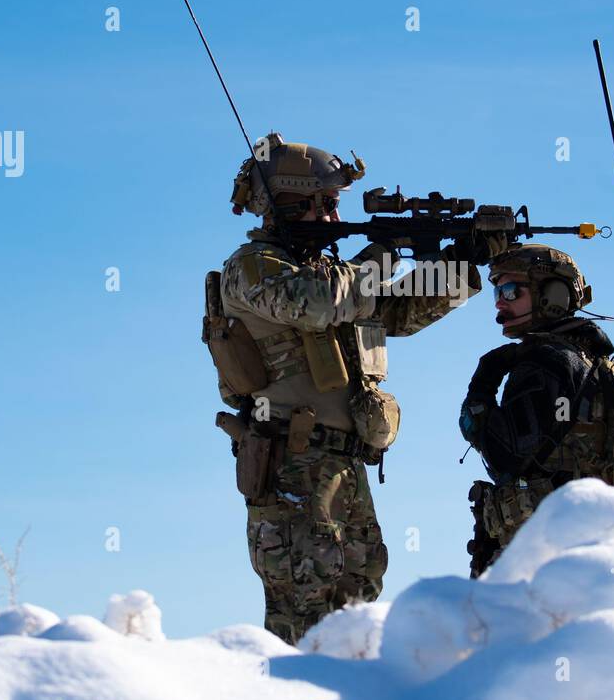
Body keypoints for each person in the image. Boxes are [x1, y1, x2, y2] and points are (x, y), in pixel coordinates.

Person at [205, 132, 503, 642]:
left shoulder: (334, 275)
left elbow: (397, 311)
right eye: (327, 206)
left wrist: (460, 263)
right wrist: (384, 252)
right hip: (291, 464)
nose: (336, 221)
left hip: (345, 464)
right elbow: (317, 303)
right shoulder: (252, 269)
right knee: (305, 611)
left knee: (358, 608)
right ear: (294, 203)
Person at [458, 243, 614, 577]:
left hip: (537, 557)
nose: (499, 301)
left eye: (511, 290)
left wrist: (483, 382)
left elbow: (504, 452)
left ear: (552, 295)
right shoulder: (589, 361)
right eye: (497, 290)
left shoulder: (546, 362)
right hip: (574, 552)